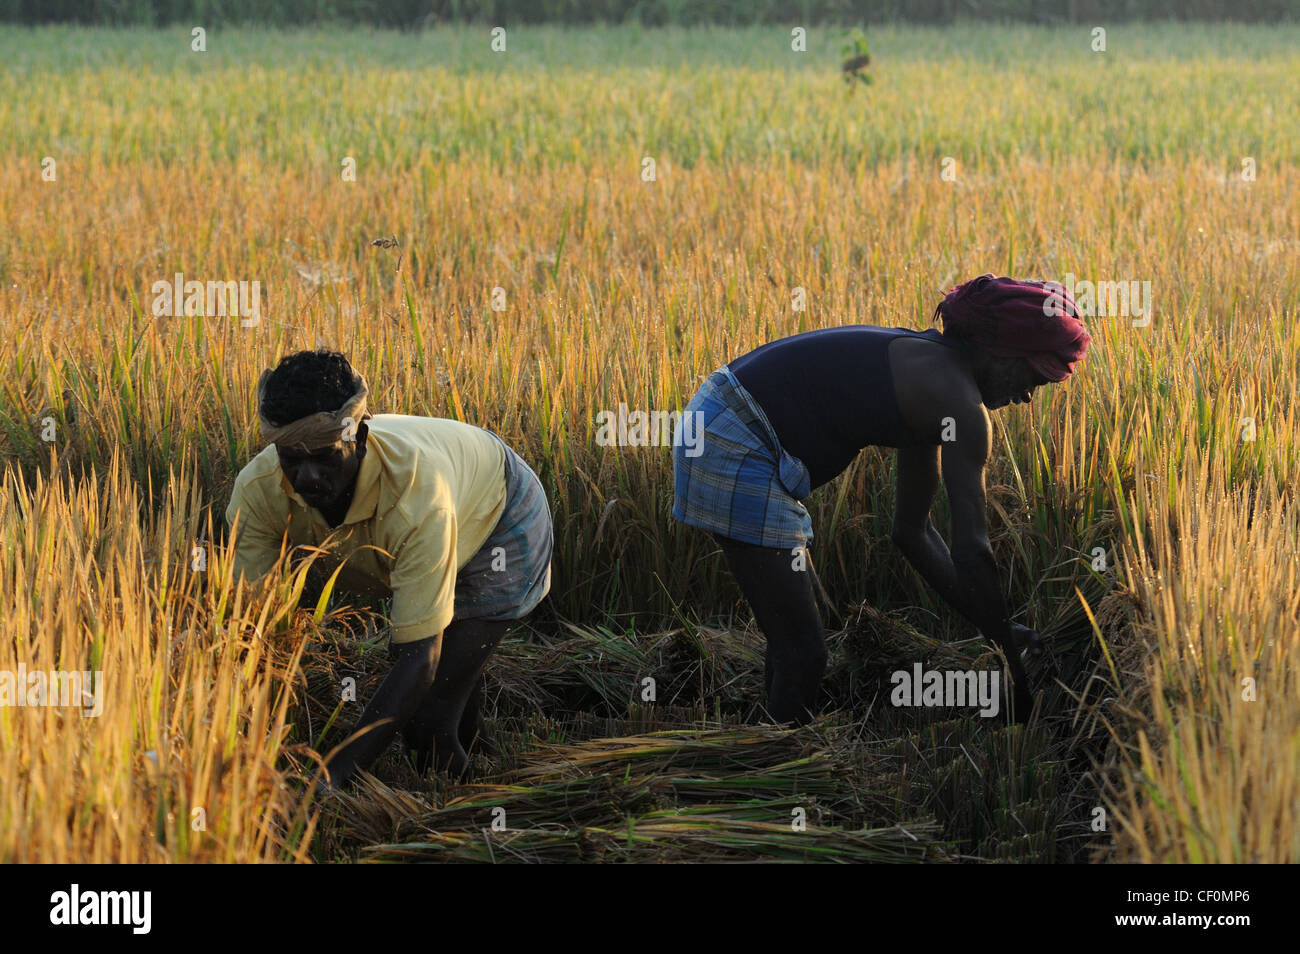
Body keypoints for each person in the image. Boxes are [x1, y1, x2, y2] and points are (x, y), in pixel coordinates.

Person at [672, 274, 1092, 725]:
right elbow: (973, 550)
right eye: (1032, 375)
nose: (1028, 395)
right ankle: (772, 772)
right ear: (1000, 350)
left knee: (802, 631)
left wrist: (998, 628)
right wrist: (1013, 667)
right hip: (733, 440)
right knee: (806, 653)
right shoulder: (961, 408)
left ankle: (768, 737)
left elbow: (911, 530)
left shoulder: (935, 378)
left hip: (719, 418)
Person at [225, 349, 553, 788]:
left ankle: (473, 824)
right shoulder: (259, 491)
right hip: (454, 489)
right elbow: (253, 627)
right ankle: (484, 758)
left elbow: (419, 657)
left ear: (358, 439)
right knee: (445, 684)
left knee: (426, 723)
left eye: (324, 458)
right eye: (291, 458)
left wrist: (330, 778)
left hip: (498, 512)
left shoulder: (416, 496)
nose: (306, 477)